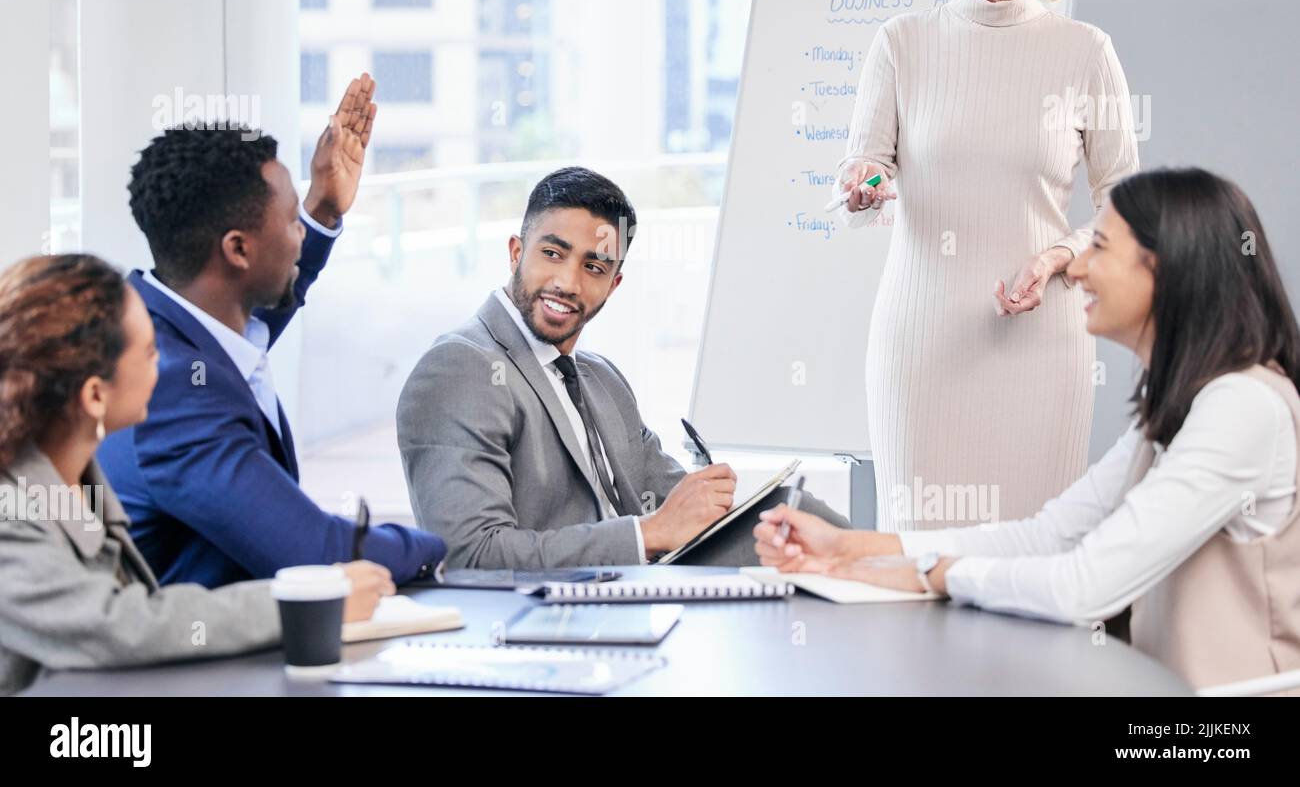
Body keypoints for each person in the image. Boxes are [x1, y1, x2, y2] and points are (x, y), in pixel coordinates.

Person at [756, 168, 1300, 691]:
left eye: (1101, 248)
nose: (1079, 268)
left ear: (1168, 268)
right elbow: (1045, 537)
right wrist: (850, 551)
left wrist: (935, 574)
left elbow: (1082, 587)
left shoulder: (1242, 408)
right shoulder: (1185, 403)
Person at [835, 0, 1140, 529]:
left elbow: (1128, 209)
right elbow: (866, 161)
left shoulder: (1084, 52)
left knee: (1035, 564)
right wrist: (867, 183)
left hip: (1043, 350)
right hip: (922, 345)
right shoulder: (902, 43)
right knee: (919, 567)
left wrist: (1058, 256)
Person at [398, 167, 849, 569]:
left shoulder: (601, 378)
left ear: (613, 285)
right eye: (552, 254)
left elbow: (669, 498)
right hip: (556, 621)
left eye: (593, 266)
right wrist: (648, 534)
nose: (567, 282)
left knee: (796, 516)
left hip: (644, 593)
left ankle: (900, 570)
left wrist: (707, 500)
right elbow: (468, 555)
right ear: (516, 252)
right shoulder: (461, 367)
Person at [98, 75, 446, 588]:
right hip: (195, 663)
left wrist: (322, 210)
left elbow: (248, 326)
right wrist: (444, 544)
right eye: (291, 222)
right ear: (238, 249)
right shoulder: (173, 392)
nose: (299, 231)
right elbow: (316, 552)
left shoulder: (161, 330)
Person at [0, 254, 394, 695]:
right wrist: (306, 605)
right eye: (151, 351)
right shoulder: (10, 509)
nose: (166, 362)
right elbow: (112, 624)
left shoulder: (72, 478)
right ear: (95, 395)